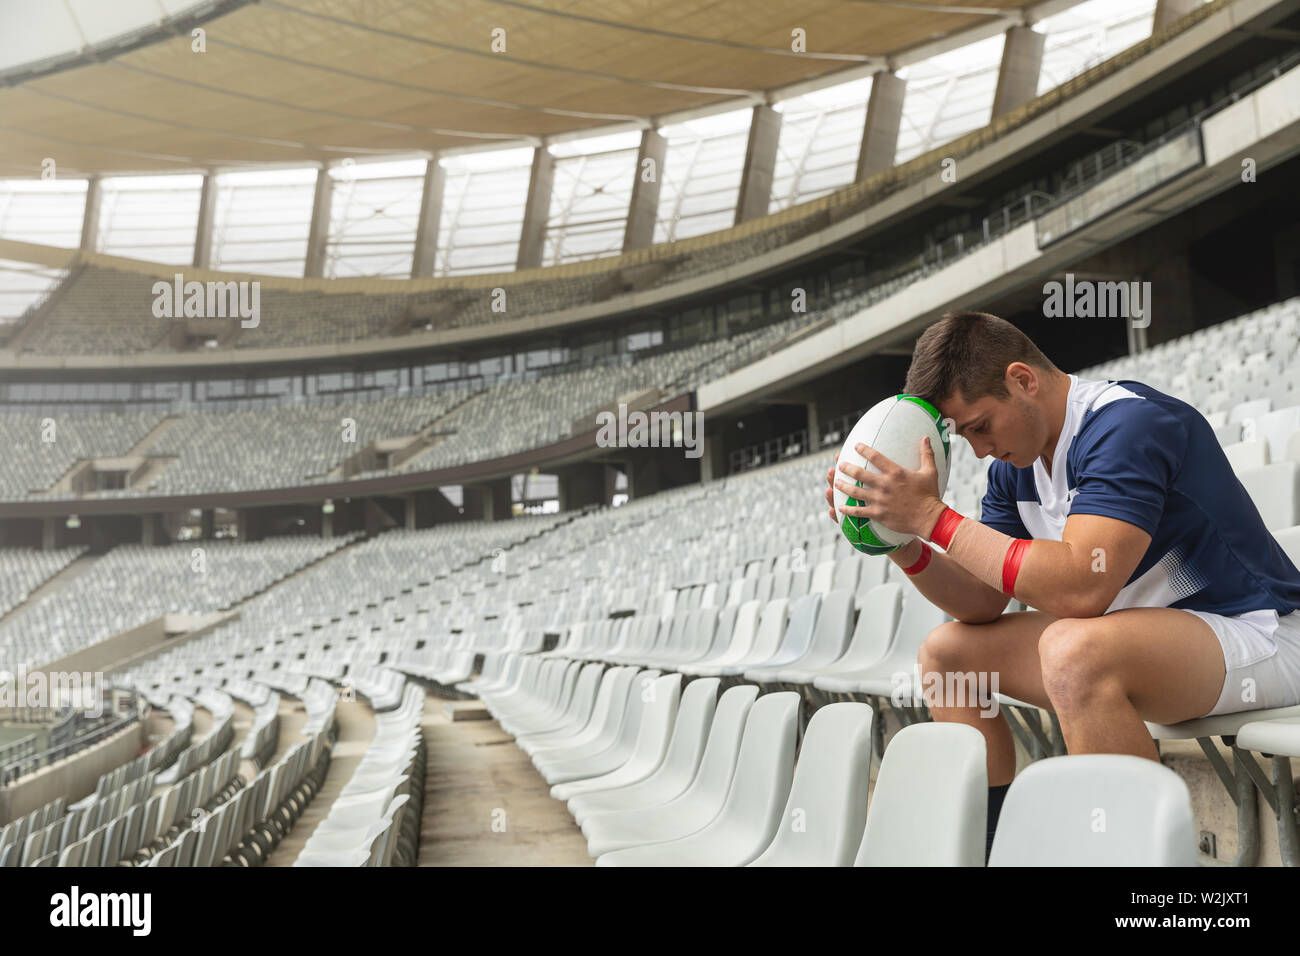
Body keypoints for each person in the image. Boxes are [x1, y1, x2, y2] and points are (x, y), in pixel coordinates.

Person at [824, 310, 1300, 860]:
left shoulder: (1126, 425)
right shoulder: (1015, 465)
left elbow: (1081, 589)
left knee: (1073, 651)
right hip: (1153, 644)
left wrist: (933, 517)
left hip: (1257, 631)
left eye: (980, 425)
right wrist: (903, 539)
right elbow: (981, 602)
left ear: (1022, 380)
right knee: (948, 656)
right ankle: (985, 851)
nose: (978, 450)